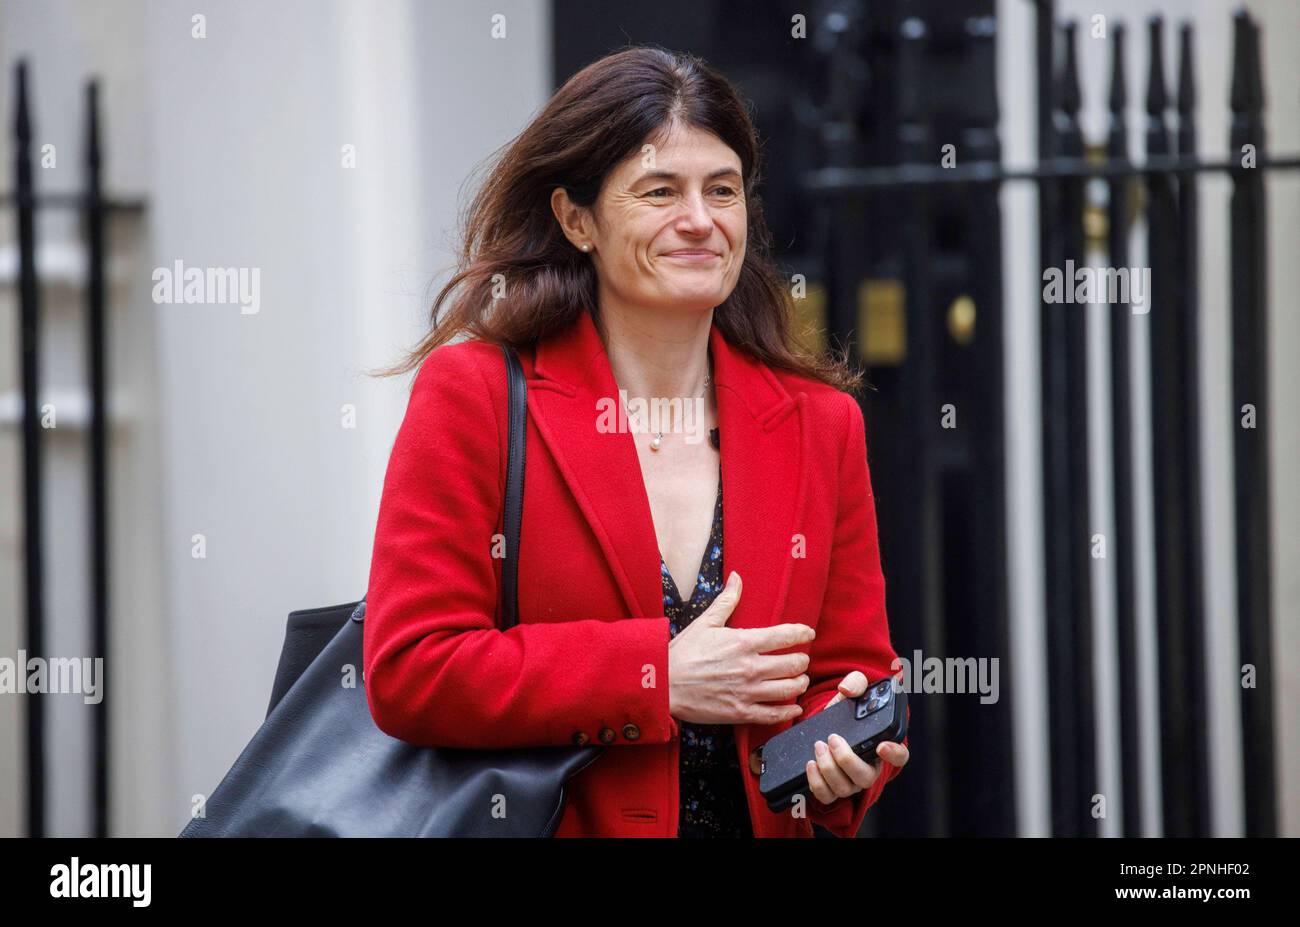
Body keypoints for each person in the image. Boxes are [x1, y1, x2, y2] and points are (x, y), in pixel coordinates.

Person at [362, 45, 909, 838]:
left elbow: (843, 670)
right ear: (575, 218)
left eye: (721, 190)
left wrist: (838, 758)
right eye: (659, 191)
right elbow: (411, 669)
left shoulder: (821, 421)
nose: (699, 219)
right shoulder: (474, 395)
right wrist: (658, 675)